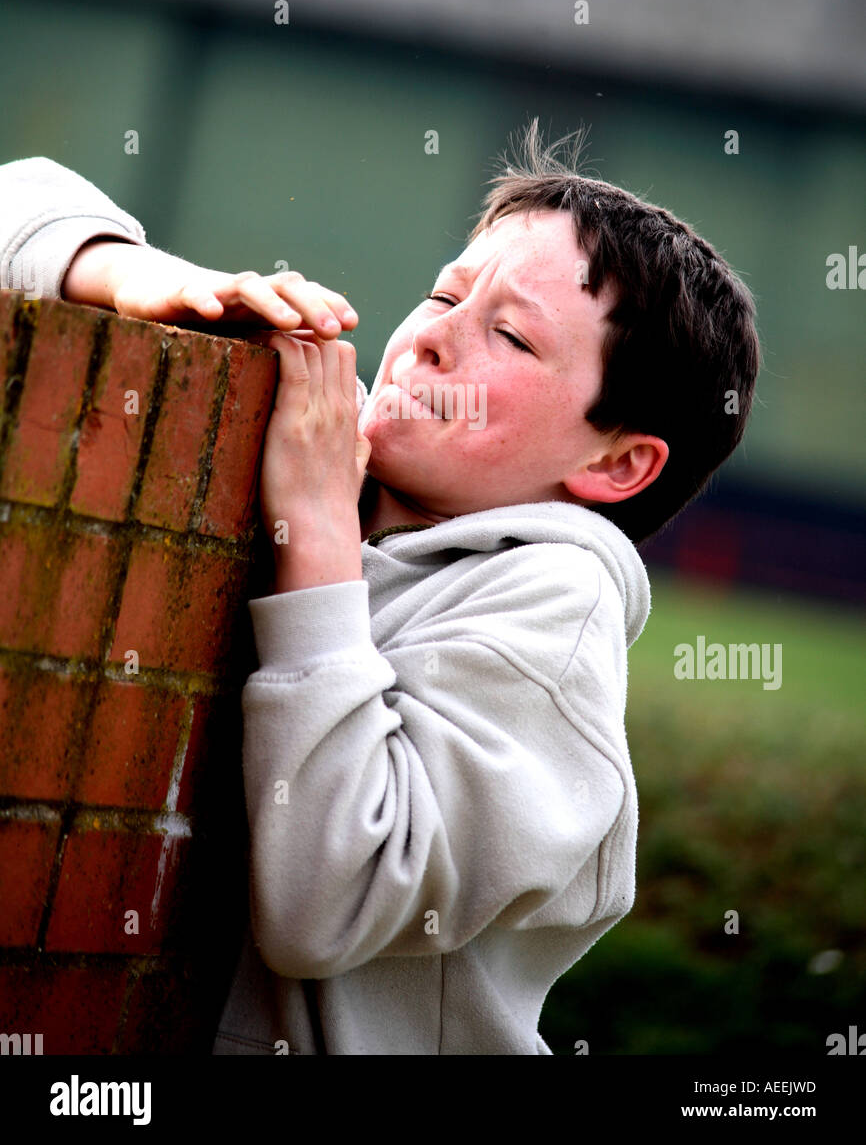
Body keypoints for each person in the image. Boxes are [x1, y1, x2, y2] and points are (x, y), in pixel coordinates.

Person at [0, 122, 760, 1054]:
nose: (432, 337)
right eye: (445, 290)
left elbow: (329, 898)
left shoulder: (557, 607)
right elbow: (19, 195)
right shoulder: (333, 454)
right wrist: (142, 281)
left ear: (617, 462)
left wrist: (315, 536)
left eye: (511, 336)